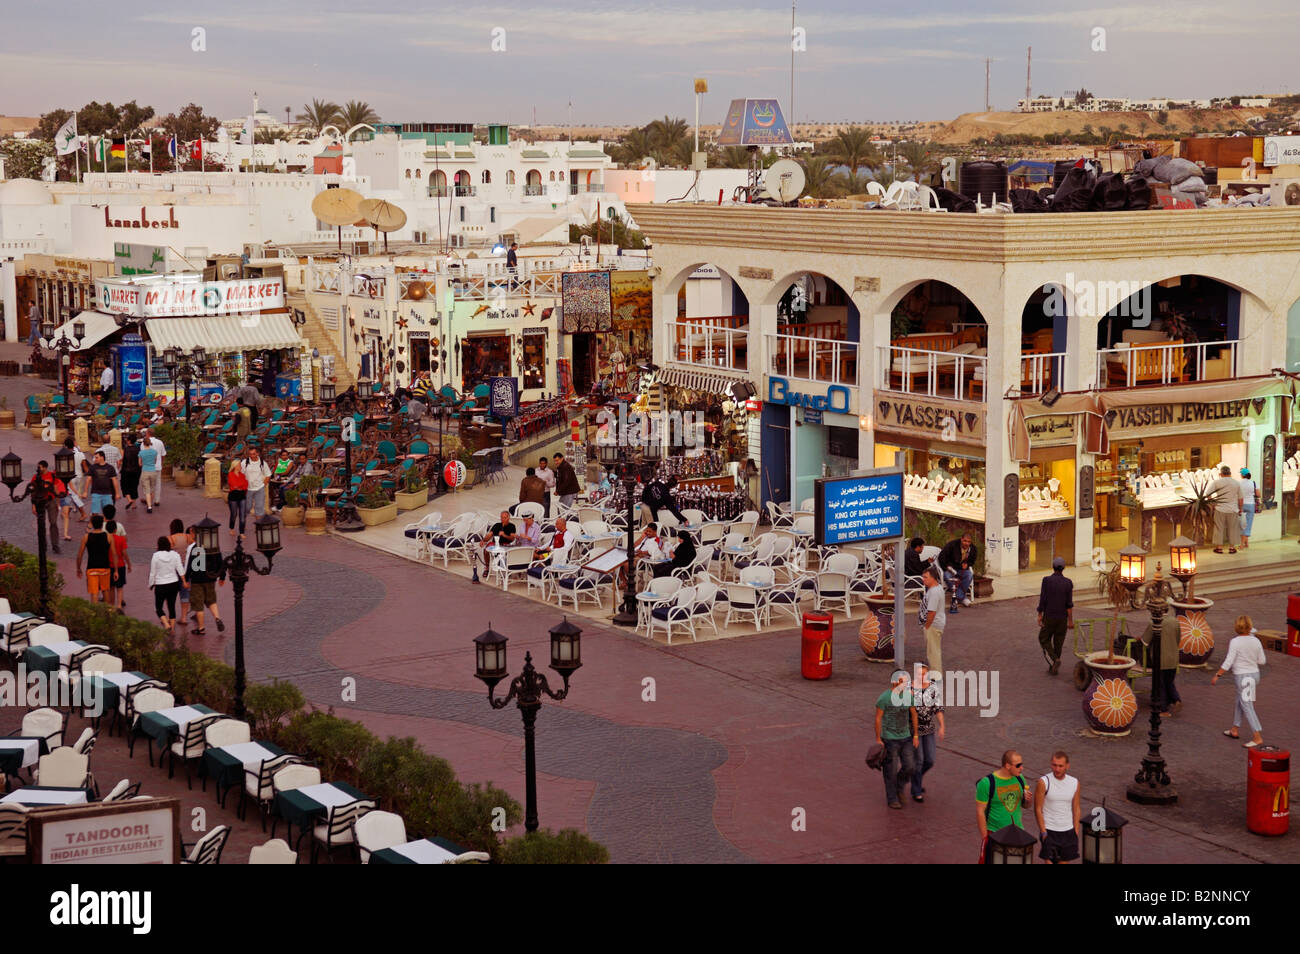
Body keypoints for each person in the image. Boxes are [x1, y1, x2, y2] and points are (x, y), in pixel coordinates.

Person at [1212, 614, 1267, 747]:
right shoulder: (1256, 641)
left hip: (1243, 677)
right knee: (1240, 702)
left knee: (1247, 706)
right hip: (1254, 675)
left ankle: (1257, 736)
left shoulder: (1235, 641)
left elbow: (1228, 661)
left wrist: (1217, 675)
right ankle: (1234, 729)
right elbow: (1262, 661)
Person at [976, 750, 1033, 863]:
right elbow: (980, 811)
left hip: (1017, 833)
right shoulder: (987, 783)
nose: (1021, 768)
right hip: (995, 834)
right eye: (1018, 765)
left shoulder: (1020, 779)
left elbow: (1026, 806)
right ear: (1007, 765)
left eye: (1022, 764)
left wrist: (1027, 800)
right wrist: (985, 837)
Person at [875, 670, 918, 810]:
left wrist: (916, 735)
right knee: (890, 770)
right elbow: (878, 718)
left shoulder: (908, 696)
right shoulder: (884, 698)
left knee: (910, 766)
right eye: (902, 681)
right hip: (889, 739)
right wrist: (878, 738)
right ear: (894, 681)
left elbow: (914, 714)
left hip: (906, 737)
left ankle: (899, 786)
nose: (905, 684)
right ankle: (892, 798)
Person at [1034, 751, 1081, 864]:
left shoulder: (1074, 783)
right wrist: (1043, 832)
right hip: (1050, 831)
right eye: (1054, 765)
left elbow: (1076, 808)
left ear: (1067, 766)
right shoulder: (1044, 782)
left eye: (1060, 766)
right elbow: (1038, 809)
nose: (1057, 769)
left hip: (1068, 831)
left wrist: (1076, 830)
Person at [911, 664, 945, 803]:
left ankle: (915, 780)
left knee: (929, 760)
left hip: (929, 729)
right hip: (914, 730)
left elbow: (938, 708)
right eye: (919, 674)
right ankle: (916, 790)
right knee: (918, 761)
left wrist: (942, 726)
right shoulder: (909, 687)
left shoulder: (933, 688)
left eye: (925, 673)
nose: (922, 676)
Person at [1140, 607, 1182, 717]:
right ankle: (1176, 699)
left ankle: (1163, 710)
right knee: (1169, 681)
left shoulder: (1153, 622)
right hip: (1173, 657)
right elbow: (1178, 639)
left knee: (1160, 684)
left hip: (1160, 658)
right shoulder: (1175, 621)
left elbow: (1145, 641)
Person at [1037, 556, 1074, 675]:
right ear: (1064, 568)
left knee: (1043, 638)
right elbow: (1069, 604)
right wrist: (1070, 621)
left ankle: (1055, 660)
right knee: (1059, 642)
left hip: (1050, 616)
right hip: (1062, 618)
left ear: (1053, 567)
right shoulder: (1068, 583)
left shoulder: (1046, 581)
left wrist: (1039, 614)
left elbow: (1043, 599)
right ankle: (1054, 666)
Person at [184, 535, 226, 635]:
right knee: (211, 600)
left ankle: (201, 628)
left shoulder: (196, 547)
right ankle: (217, 618)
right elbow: (221, 562)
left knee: (198, 605)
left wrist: (186, 579)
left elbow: (191, 565)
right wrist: (222, 576)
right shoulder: (214, 546)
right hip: (210, 578)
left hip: (197, 579)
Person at [148, 536, 186, 634]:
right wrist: (184, 581)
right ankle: (172, 629)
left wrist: (151, 584)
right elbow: (180, 569)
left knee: (159, 607)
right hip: (173, 583)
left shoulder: (156, 556)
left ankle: (166, 624)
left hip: (160, 584)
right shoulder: (175, 555)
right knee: (171, 606)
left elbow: (153, 572)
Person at [75, 514, 113, 604]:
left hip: (91, 567)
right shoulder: (108, 536)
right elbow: (114, 554)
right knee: (105, 590)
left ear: (92, 524)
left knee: (94, 592)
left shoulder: (86, 537)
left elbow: (80, 555)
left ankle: (95, 613)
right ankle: (108, 612)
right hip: (105, 567)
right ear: (102, 524)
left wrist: (78, 568)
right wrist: (115, 569)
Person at [27, 461, 62, 554]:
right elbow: (32, 492)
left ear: (45, 467)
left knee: (53, 522)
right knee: (41, 523)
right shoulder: (35, 477)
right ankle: (43, 544)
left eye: (40, 467)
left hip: (51, 501)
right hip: (40, 502)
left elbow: (55, 488)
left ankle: (55, 544)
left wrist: (58, 503)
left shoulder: (52, 476)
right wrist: (33, 505)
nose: (38, 469)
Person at [938, 532, 977, 612]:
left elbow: (972, 561)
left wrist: (967, 564)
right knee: (947, 576)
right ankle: (962, 598)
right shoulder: (952, 545)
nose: (966, 543)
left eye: (968, 542)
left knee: (969, 575)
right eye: (965, 541)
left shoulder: (973, 548)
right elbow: (941, 557)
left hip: (962, 569)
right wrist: (946, 567)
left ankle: (958, 597)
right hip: (950, 568)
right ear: (961, 539)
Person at [1208, 464, 1242, 554]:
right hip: (1233, 509)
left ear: (1221, 474)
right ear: (1230, 473)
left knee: (1219, 528)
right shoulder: (1236, 483)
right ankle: (1231, 548)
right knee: (1233, 528)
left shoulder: (1216, 482)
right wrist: (1240, 509)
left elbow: (1208, 494)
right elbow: (1240, 498)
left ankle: (1219, 548)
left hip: (1220, 508)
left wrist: (1213, 504)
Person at [919, 566, 946, 676]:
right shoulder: (937, 588)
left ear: (933, 578)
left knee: (933, 652)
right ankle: (934, 672)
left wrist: (927, 626)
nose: (923, 579)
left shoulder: (934, 592)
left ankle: (936, 675)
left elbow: (931, 612)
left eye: (925, 577)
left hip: (933, 625)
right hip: (935, 624)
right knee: (933, 650)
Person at [169, 519, 193, 626]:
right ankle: (183, 617)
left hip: (173, 569)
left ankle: (171, 617)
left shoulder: (170, 539)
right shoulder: (188, 538)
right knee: (185, 593)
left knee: (171, 594)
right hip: (186, 568)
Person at [105, 516, 131, 614]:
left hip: (109, 565)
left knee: (111, 587)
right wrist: (129, 563)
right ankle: (119, 605)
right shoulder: (121, 539)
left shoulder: (106, 539)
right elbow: (124, 553)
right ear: (116, 529)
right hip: (120, 565)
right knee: (120, 587)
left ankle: (111, 605)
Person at [479, 510, 517, 575]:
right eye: (502, 518)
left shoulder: (512, 526)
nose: (503, 519)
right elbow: (489, 535)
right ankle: (487, 568)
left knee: (503, 553)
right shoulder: (497, 525)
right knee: (486, 551)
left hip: (506, 544)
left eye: (505, 518)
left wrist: (504, 535)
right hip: (495, 543)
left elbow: (512, 538)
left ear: (508, 518)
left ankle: (503, 567)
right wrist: (484, 540)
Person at [86, 451, 120, 517]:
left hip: (107, 493)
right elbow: (88, 479)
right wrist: (85, 491)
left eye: (96, 458)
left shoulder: (110, 468)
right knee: (94, 512)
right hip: (96, 492)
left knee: (107, 513)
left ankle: (105, 525)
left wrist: (117, 493)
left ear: (102, 457)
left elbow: (114, 481)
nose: (95, 459)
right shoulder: (92, 467)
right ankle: (92, 525)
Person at [243, 448, 273, 519]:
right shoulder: (245, 462)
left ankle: (258, 526)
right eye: (250, 454)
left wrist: (263, 485)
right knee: (247, 507)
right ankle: (242, 521)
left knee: (259, 507)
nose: (252, 456)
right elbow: (240, 473)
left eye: (253, 454)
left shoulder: (262, 463)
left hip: (259, 488)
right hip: (248, 489)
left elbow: (268, 474)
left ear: (257, 454)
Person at [135, 435, 159, 513]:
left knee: (147, 490)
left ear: (144, 444)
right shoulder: (154, 452)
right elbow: (155, 462)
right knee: (152, 489)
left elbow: (139, 464)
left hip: (145, 471)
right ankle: (150, 503)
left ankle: (149, 507)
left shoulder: (141, 452)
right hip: (153, 471)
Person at [1238, 468, 1261, 549]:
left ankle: (1242, 544)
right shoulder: (1254, 483)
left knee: (1242, 524)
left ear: (1242, 475)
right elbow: (1258, 494)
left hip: (1241, 505)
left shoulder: (1239, 483)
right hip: (1251, 504)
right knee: (1248, 524)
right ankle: (1245, 543)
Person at [227, 459, 249, 538]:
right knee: (234, 514)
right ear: (235, 466)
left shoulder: (242, 475)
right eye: (239, 465)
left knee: (242, 515)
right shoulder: (230, 474)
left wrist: (238, 487)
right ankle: (232, 528)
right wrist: (240, 486)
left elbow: (246, 485)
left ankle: (242, 532)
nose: (241, 466)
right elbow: (233, 484)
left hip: (242, 496)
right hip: (233, 497)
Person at [118, 437, 141, 511]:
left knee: (124, 485)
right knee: (134, 486)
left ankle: (129, 499)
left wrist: (119, 464)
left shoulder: (125, 449)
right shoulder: (138, 449)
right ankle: (134, 504)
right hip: (136, 471)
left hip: (126, 471)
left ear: (129, 441)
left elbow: (121, 459)